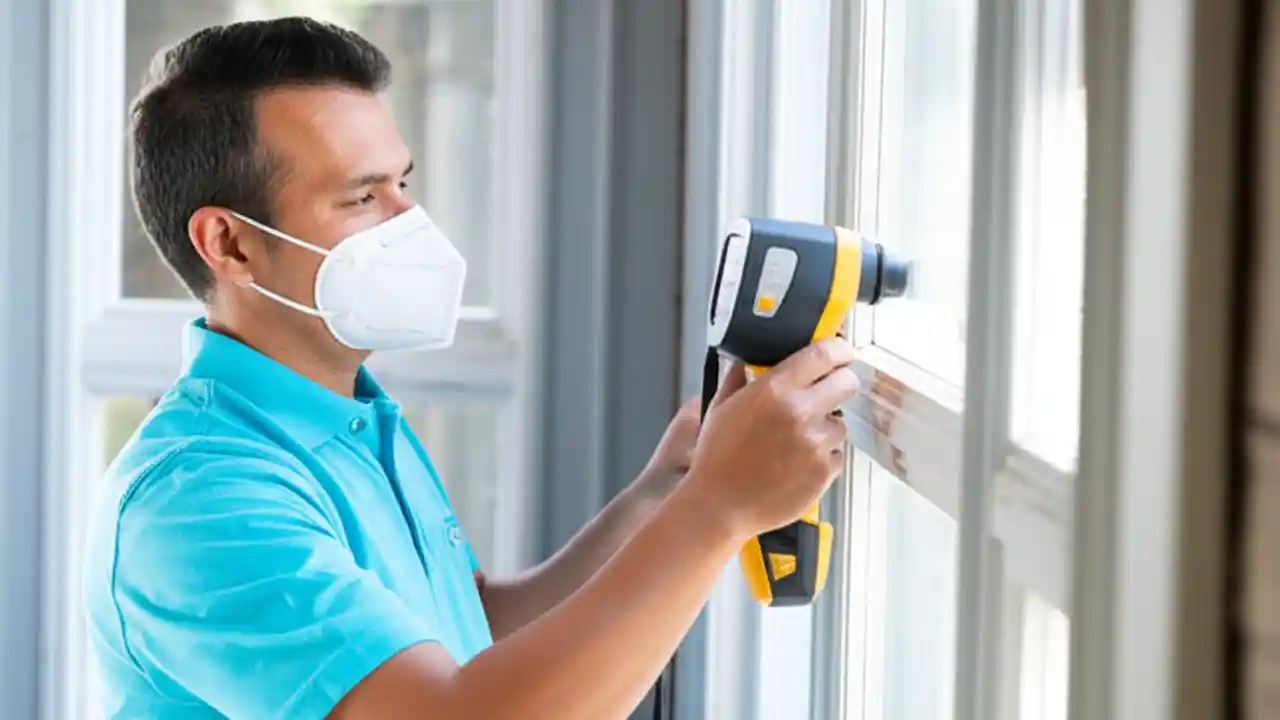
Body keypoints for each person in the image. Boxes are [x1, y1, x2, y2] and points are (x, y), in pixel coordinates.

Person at [82, 17, 858, 720]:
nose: (410, 223)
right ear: (232, 245)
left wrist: (662, 495)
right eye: (361, 198)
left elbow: (457, 636)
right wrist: (717, 509)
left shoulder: (349, 419)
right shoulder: (202, 501)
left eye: (402, 184)